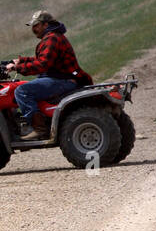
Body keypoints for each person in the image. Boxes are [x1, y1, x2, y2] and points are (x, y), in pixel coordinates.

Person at [7, 9, 92, 139]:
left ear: (45, 25)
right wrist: (21, 61)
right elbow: (43, 59)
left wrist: (18, 68)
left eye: (36, 25)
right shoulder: (53, 36)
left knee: (22, 91)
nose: (33, 29)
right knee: (30, 85)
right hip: (63, 78)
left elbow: (42, 65)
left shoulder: (52, 38)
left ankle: (39, 129)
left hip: (63, 80)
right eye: (32, 26)